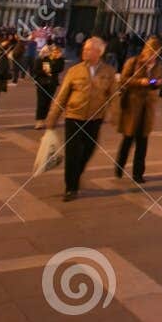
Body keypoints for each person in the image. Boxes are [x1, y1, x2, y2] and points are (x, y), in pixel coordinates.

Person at [45, 36, 120, 202]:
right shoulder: (74, 70)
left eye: (88, 49)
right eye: (84, 49)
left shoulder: (108, 72)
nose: (84, 52)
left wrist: (116, 115)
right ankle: (71, 187)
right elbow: (62, 95)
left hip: (95, 118)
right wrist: (52, 117)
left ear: (99, 52)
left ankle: (76, 174)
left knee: (88, 150)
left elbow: (114, 96)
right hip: (74, 116)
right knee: (72, 153)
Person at [115, 37, 162, 184]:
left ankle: (138, 174)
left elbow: (158, 81)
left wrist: (156, 83)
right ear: (145, 50)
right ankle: (120, 165)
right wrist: (139, 81)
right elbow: (123, 79)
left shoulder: (159, 66)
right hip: (132, 105)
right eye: (151, 52)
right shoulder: (133, 62)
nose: (153, 56)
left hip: (147, 107)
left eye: (156, 53)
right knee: (128, 139)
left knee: (143, 141)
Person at [33, 43, 65, 128]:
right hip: (42, 83)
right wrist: (45, 72)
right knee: (41, 102)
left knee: (48, 102)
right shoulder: (44, 59)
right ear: (51, 52)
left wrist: (59, 60)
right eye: (54, 51)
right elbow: (37, 70)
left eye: (58, 52)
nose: (56, 53)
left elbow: (59, 69)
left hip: (52, 84)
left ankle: (45, 119)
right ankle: (39, 120)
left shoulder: (59, 61)